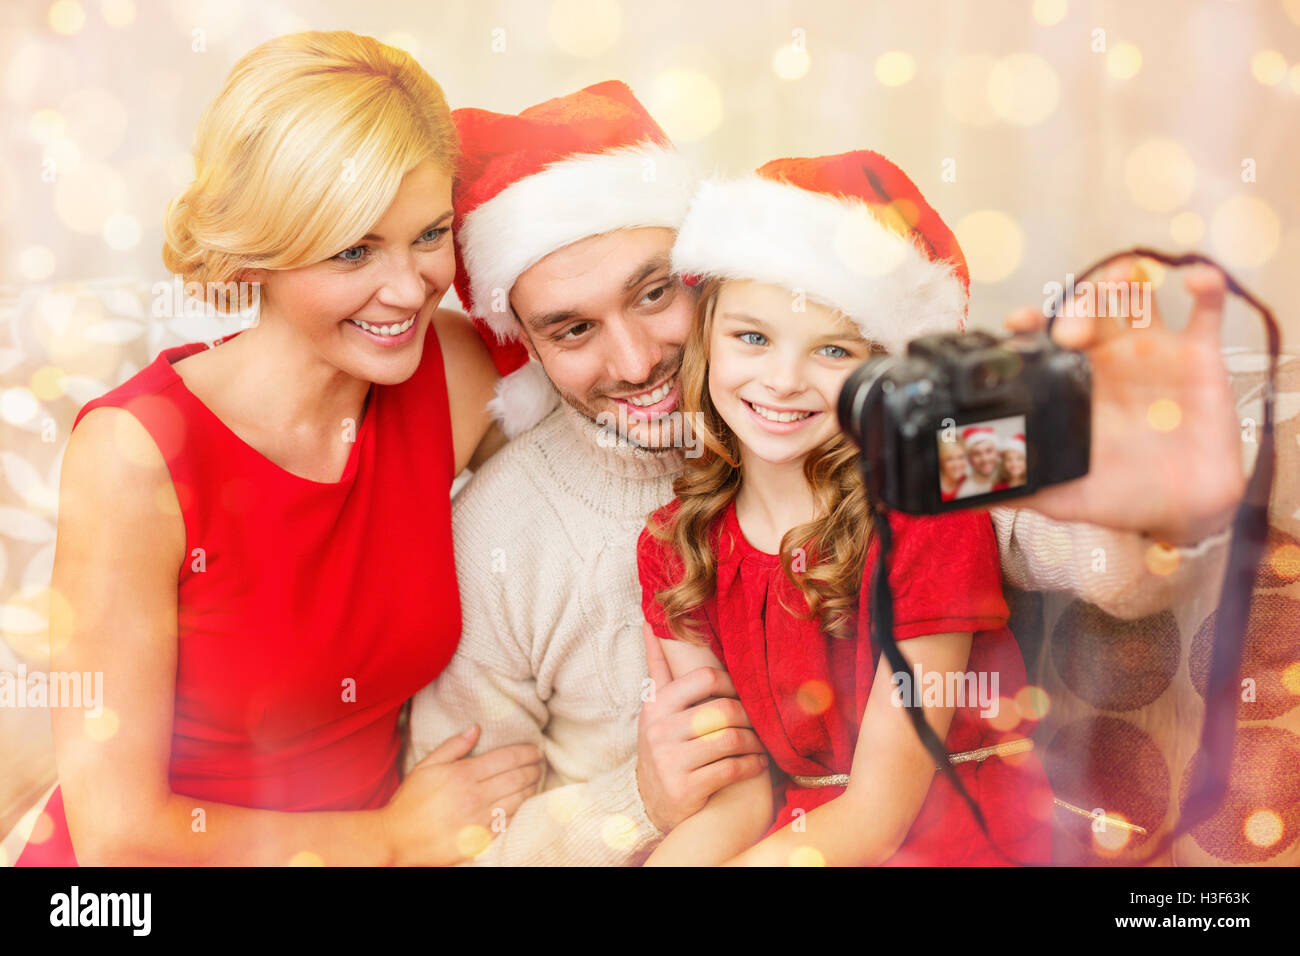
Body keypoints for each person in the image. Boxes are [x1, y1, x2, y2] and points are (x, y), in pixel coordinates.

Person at [406, 81, 1243, 866]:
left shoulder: (895, 443)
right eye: (572, 330)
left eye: (655, 293)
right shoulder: (507, 531)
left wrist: (1161, 513)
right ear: (526, 340)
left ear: (713, 274)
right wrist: (639, 800)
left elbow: (1091, 546)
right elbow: (463, 840)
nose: (635, 361)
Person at [15, 31, 542, 867]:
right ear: (259, 250)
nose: (407, 289)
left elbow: (631, 377)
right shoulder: (135, 456)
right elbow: (120, 834)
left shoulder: (455, 370)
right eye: (354, 250)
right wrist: (390, 840)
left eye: (429, 234)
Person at [637, 153, 1052, 866]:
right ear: (705, 337)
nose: (783, 380)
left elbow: (876, 819)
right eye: (753, 337)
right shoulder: (676, 544)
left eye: (833, 349)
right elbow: (740, 790)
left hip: (951, 837)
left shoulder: (925, 518)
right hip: (792, 838)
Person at [956, 426, 1000, 498]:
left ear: (997, 452)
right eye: (977, 454)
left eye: (989, 451)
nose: (984, 459)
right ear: (970, 459)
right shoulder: (966, 491)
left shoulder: (1013, 475)